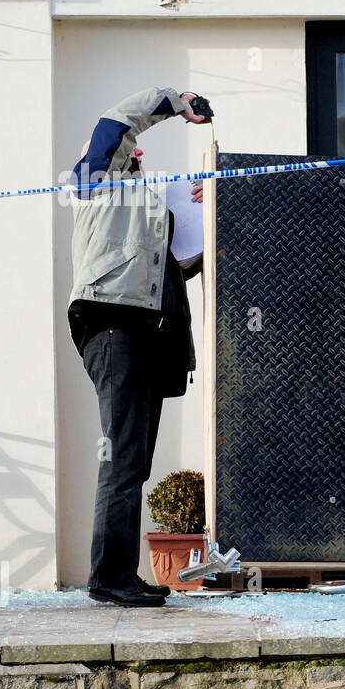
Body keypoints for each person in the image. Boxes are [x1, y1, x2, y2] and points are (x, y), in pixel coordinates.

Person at [68, 87, 212, 607]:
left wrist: (213, 212)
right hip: (113, 327)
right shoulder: (94, 185)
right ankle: (109, 578)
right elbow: (118, 123)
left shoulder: (144, 211)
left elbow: (175, 270)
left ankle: (118, 573)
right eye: (125, 152)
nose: (136, 155)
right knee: (122, 457)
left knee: (133, 462)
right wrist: (176, 101)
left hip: (148, 333)